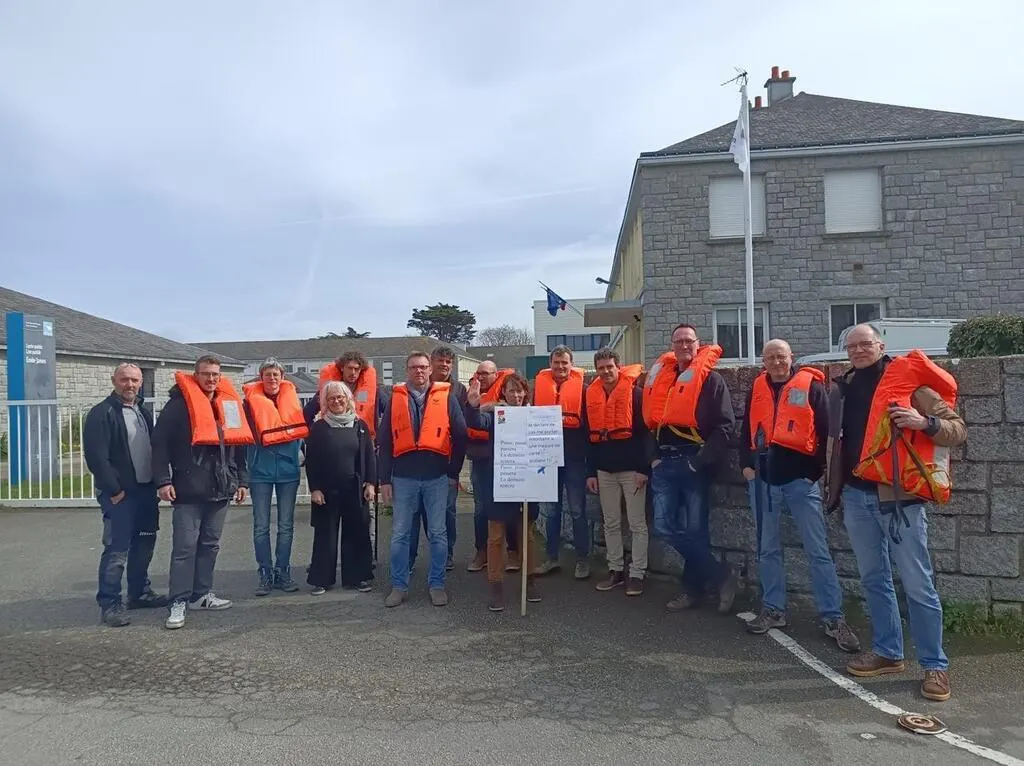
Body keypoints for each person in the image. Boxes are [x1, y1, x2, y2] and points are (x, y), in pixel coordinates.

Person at [824, 323, 966, 702]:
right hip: (856, 497)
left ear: (880, 345)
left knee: (918, 584)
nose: (858, 350)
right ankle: (889, 652)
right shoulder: (845, 386)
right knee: (874, 579)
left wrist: (925, 422)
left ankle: (935, 665)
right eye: (851, 346)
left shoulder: (910, 384)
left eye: (865, 344)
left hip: (900, 501)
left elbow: (956, 429)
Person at [739, 339, 860, 651]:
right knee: (767, 549)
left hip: (801, 483)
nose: (777, 362)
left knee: (817, 550)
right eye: (770, 357)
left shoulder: (811, 386)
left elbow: (826, 433)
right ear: (763, 361)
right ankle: (774, 610)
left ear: (791, 357)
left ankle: (833, 617)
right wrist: (746, 468)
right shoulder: (757, 387)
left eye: (781, 356)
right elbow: (746, 430)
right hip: (763, 481)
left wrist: (814, 472)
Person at [151, 355, 252, 630]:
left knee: (210, 544)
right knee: (184, 548)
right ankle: (178, 601)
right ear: (196, 375)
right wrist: (162, 480)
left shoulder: (229, 405)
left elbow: (238, 446)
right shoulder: (176, 407)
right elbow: (159, 445)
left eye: (215, 375)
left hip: (220, 488)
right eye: (206, 374)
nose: (211, 379)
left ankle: (201, 594)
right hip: (187, 488)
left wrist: (242, 481)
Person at [642, 323, 737, 613]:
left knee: (696, 531)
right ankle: (721, 576)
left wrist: (699, 462)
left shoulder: (711, 380)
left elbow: (725, 426)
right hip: (664, 464)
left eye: (688, 341)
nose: (683, 346)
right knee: (662, 526)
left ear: (698, 345)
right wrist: (653, 459)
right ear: (672, 346)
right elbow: (647, 425)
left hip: (694, 461)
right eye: (678, 341)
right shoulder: (662, 380)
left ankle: (692, 590)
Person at [379, 351, 468, 607]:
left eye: (423, 367)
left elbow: (461, 436)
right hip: (403, 478)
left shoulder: (447, 398)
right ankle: (399, 586)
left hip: (437, 478)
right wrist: (384, 479)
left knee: (438, 533)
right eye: (414, 367)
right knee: (399, 534)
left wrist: (453, 471)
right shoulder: (395, 399)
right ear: (406, 370)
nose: (419, 371)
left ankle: (437, 584)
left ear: (430, 370)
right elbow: (384, 442)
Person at [82, 363, 167, 627]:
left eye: (134, 380)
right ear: (114, 381)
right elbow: (96, 457)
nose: (129, 385)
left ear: (140, 382)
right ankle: (110, 603)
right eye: (124, 380)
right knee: (117, 550)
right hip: (120, 495)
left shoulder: (142, 411)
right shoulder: (102, 413)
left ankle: (139, 592)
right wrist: (114, 490)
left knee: (144, 544)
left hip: (145, 491)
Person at [465, 373, 542, 611]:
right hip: (500, 483)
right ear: (504, 394)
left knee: (526, 536)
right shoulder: (495, 415)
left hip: (528, 483)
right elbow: (476, 422)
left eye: (519, 391)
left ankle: (529, 581)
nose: (516, 395)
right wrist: (473, 404)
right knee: (496, 537)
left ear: (525, 393)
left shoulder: (538, 416)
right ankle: (496, 585)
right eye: (511, 391)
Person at [584, 348, 655, 597]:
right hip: (604, 472)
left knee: (637, 524)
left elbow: (647, 434)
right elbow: (587, 437)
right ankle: (615, 570)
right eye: (601, 368)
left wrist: (644, 469)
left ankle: (637, 573)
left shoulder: (635, 395)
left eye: (609, 367)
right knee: (611, 523)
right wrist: (590, 472)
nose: (605, 372)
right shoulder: (590, 397)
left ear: (618, 367)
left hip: (632, 471)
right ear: (596, 370)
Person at [307, 351, 389, 561]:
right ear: (341, 369)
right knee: (329, 525)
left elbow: (388, 413)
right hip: (331, 447)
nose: (353, 373)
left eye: (357, 369)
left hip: (362, 446)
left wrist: (382, 440)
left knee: (365, 516)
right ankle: (324, 568)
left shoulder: (374, 390)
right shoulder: (328, 391)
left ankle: (365, 560)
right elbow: (305, 415)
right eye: (349, 368)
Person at [242, 358, 308, 596]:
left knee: (285, 526)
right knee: (261, 527)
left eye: (276, 374)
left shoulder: (293, 402)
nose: (272, 378)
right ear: (261, 377)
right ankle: (265, 572)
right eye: (268, 374)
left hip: (288, 472)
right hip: (260, 472)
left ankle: (282, 571)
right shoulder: (249, 404)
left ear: (283, 377)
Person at [304, 380, 377, 594]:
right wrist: (315, 488)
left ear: (348, 400)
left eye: (340, 397)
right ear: (325, 402)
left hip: (355, 488)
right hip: (326, 491)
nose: (336, 401)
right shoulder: (319, 427)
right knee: (326, 535)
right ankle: (322, 580)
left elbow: (369, 458)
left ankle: (356, 578)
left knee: (357, 533)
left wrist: (371, 483)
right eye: (332, 398)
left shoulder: (359, 425)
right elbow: (312, 461)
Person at [533, 345, 592, 579]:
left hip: (575, 459)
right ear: (550, 363)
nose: (560, 367)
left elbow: (590, 428)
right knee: (552, 511)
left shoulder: (584, 390)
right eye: (556, 362)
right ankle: (551, 557)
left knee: (578, 511)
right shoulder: (538, 390)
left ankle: (583, 559)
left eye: (564, 363)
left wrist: (591, 467)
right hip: (548, 460)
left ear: (571, 364)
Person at [409, 345, 468, 573]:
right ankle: (410, 558)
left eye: (448, 362)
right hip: (416, 464)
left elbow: (461, 431)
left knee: (447, 512)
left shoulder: (459, 390)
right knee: (414, 515)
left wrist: (455, 469)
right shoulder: (415, 387)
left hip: (447, 462)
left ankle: (447, 555)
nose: (444, 365)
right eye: (440, 361)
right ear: (431, 363)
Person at [465, 360, 518, 573]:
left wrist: (493, 406)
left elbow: (517, 408)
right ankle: (482, 552)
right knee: (480, 509)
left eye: (486, 373)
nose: (482, 377)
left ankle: (513, 551)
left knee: (511, 506)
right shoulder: (471, 392)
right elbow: (468, 417)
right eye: (479, 373)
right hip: (480, 459)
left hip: (506, 459)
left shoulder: (507, 392)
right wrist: (480, 405)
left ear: (496, 374)